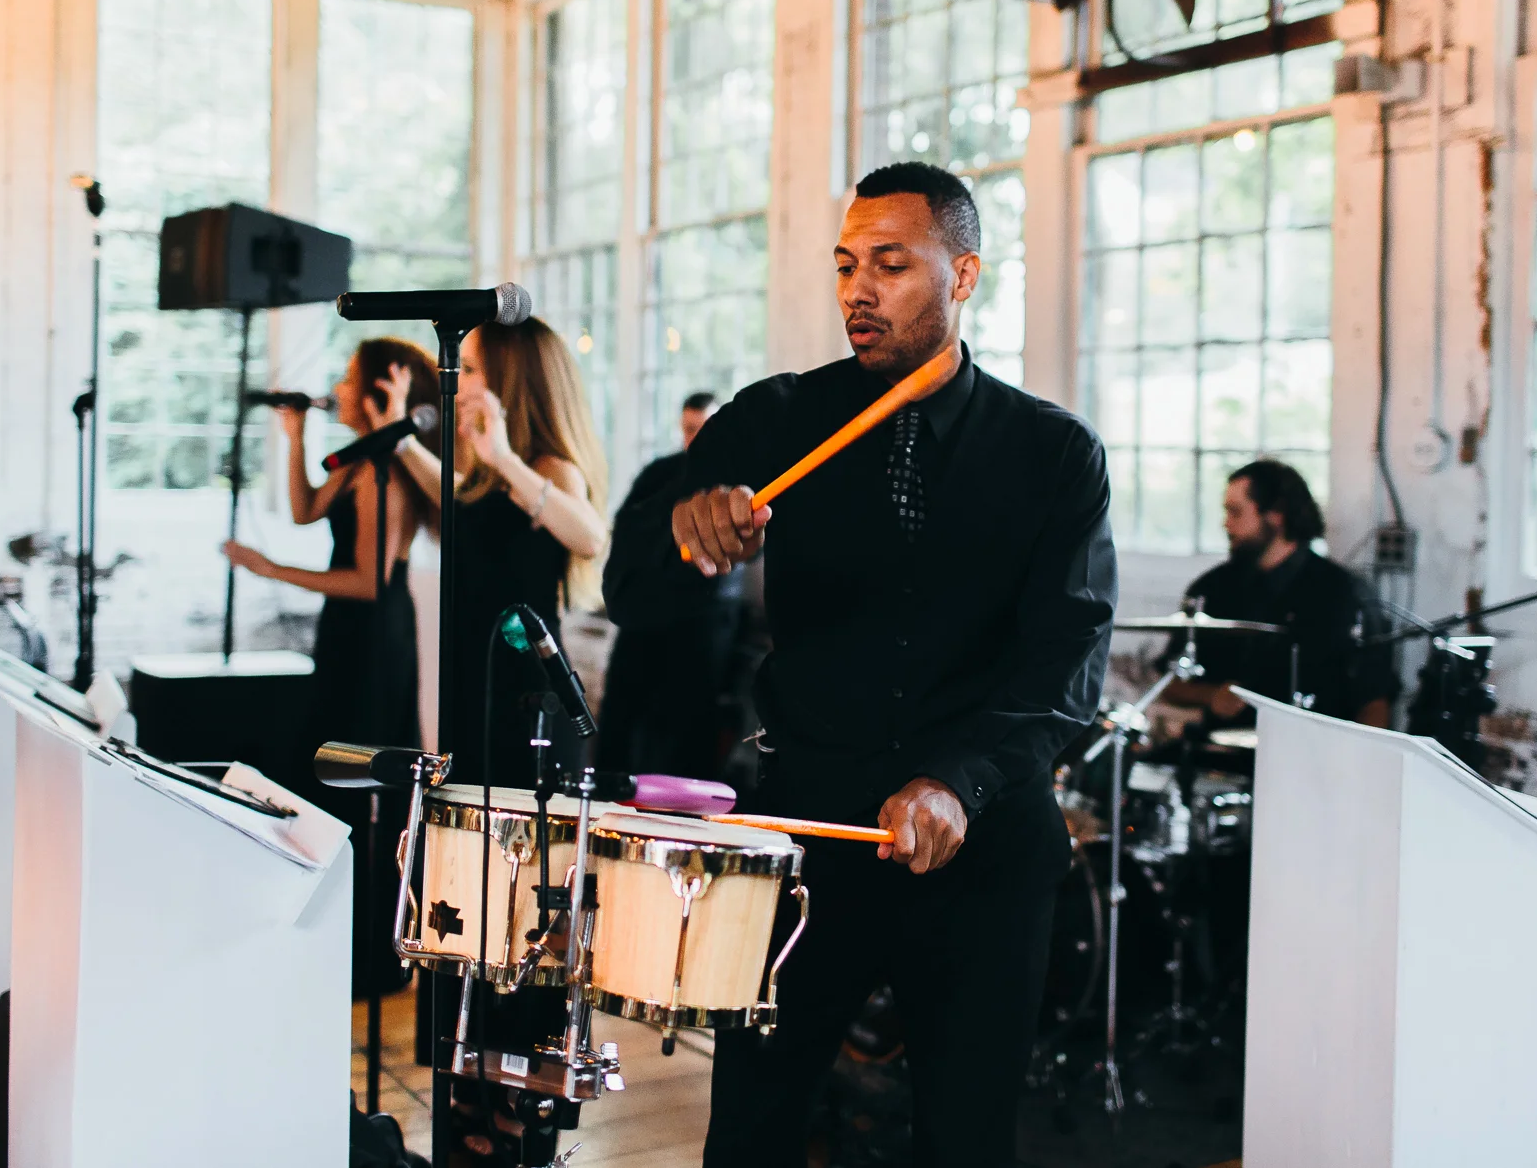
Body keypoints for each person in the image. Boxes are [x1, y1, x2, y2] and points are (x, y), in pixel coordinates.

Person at [604, 162, 1118, 1168]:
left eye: (891, 263)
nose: (858, 290)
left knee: (965, 1140)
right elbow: (630, 590)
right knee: (749, 1129)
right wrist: (686, 534)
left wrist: (959, 779)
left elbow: (1066, 664)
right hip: (807, 833)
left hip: (980, 841)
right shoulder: (772, 418)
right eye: (846, 265)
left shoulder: (1053, 453)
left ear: (962, 274)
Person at [222, 336, 438, 998]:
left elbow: (369, 580)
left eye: (348, 377)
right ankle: (333, 938)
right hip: (345, 631)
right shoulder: (359, 460)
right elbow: (304, 509)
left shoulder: (386, 471)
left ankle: (371, 952)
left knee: (359, 777)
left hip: (374, 634)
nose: (337, 387)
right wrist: (295, 438)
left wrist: (270, 569)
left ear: (375, 394)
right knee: (327, 767)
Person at [367, 317, 609, 787]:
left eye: (472, 368)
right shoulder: (494, 477)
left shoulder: (549, 469)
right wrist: (403, 440)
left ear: (510, 378)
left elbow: (590, 537)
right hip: (477, 681)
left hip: (524, 696)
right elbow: (462, 501)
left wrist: (503, 459)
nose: (456, 381)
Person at [1156, 458, 1396, 730]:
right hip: (1218, 749)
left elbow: (1375, 699)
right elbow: (1169, 683)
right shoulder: (1211, 588)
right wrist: (1211, 695)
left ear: (1276, 515)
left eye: (1236, 512)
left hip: (1310, 748)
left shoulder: (1345, 593)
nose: (1226, 524)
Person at [598, 391, 744, 778]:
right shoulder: (658, 474)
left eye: (704, 429)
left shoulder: (733, 483)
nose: (695, 439)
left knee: (686, 734)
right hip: (644, 614)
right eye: (689, 429)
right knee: (620, 722)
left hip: (701, 620)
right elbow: (627, 533)